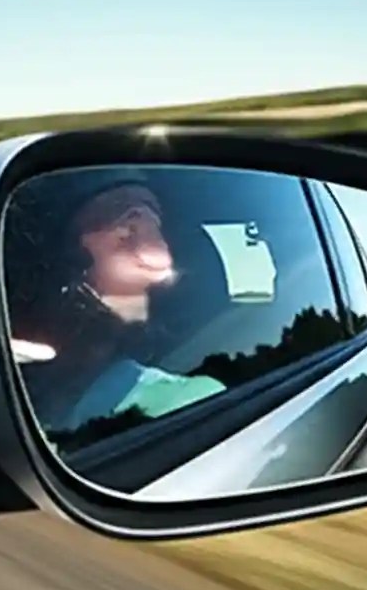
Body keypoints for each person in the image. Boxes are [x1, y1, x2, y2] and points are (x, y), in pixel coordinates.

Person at [17, 178, 227, 441]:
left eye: (146, 230)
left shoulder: (188, 402)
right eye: (129, 231)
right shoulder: (26, 385)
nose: (157, 256)